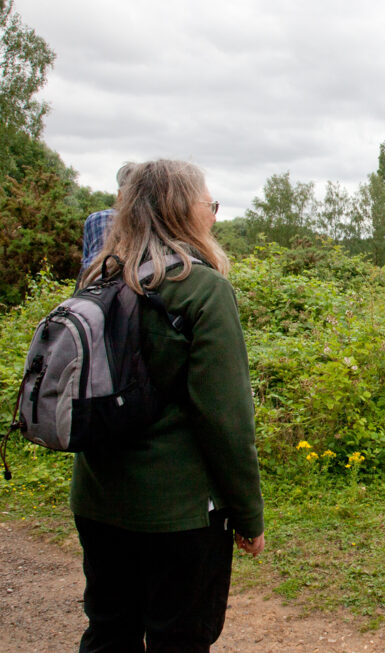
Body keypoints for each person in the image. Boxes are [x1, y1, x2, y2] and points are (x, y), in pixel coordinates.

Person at [74, 159, 262, 652]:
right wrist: (248, 515)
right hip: (179, 515)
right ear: (183, 212)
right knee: (178, 639)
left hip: (97, 500)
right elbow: (226, 420)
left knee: (108, 630)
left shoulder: (99, 276)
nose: (214, 217)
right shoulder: (203, 289)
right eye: (210, 205)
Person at [81, 162, 136, 269]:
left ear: (119, 194)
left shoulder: (95, 219)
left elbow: (85, 261)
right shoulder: (145, 221)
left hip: (91, 280)